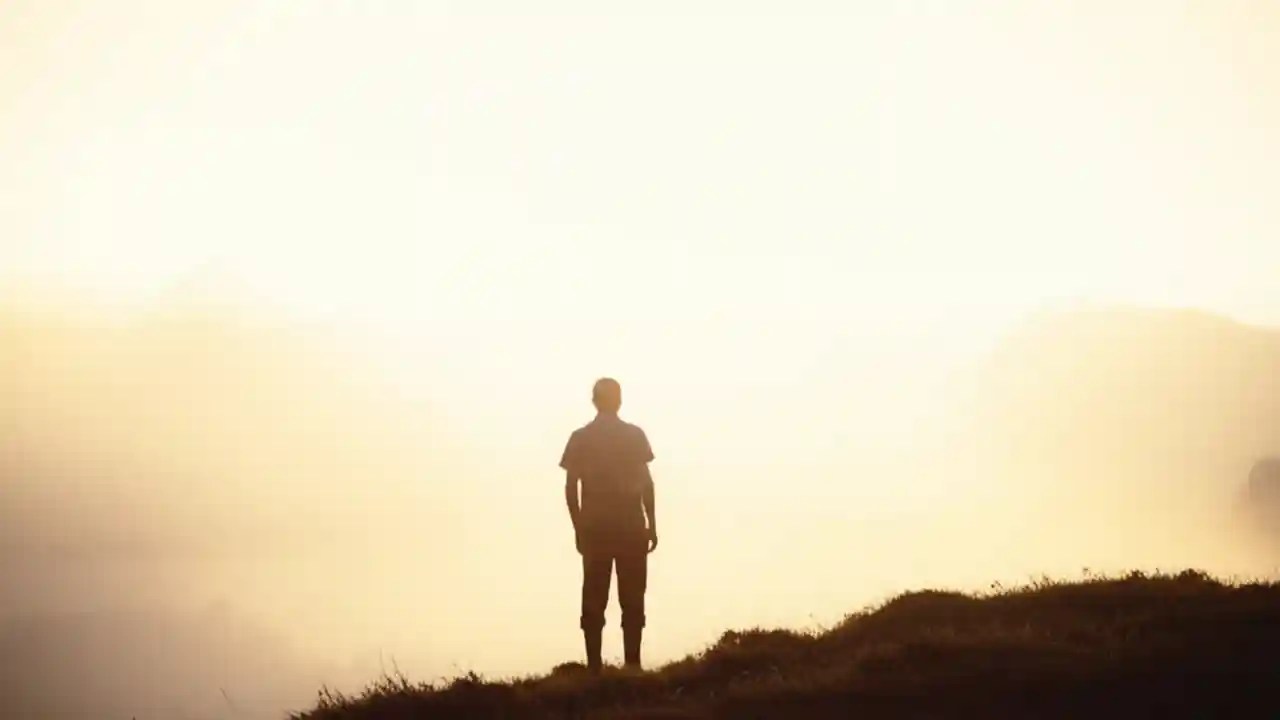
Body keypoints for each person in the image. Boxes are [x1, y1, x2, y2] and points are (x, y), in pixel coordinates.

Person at [560, 378, 658, 671]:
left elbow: (570, 487)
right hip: (630, 526)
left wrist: (578, 526)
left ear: (594, 401)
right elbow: (646, 483)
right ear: (619, 401)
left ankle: (594, 667)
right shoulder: (634, 435)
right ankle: (633, 664)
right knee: (632, 597)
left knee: (594, 597)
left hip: (595, 528)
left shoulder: (581, 437)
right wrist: (652, 524)